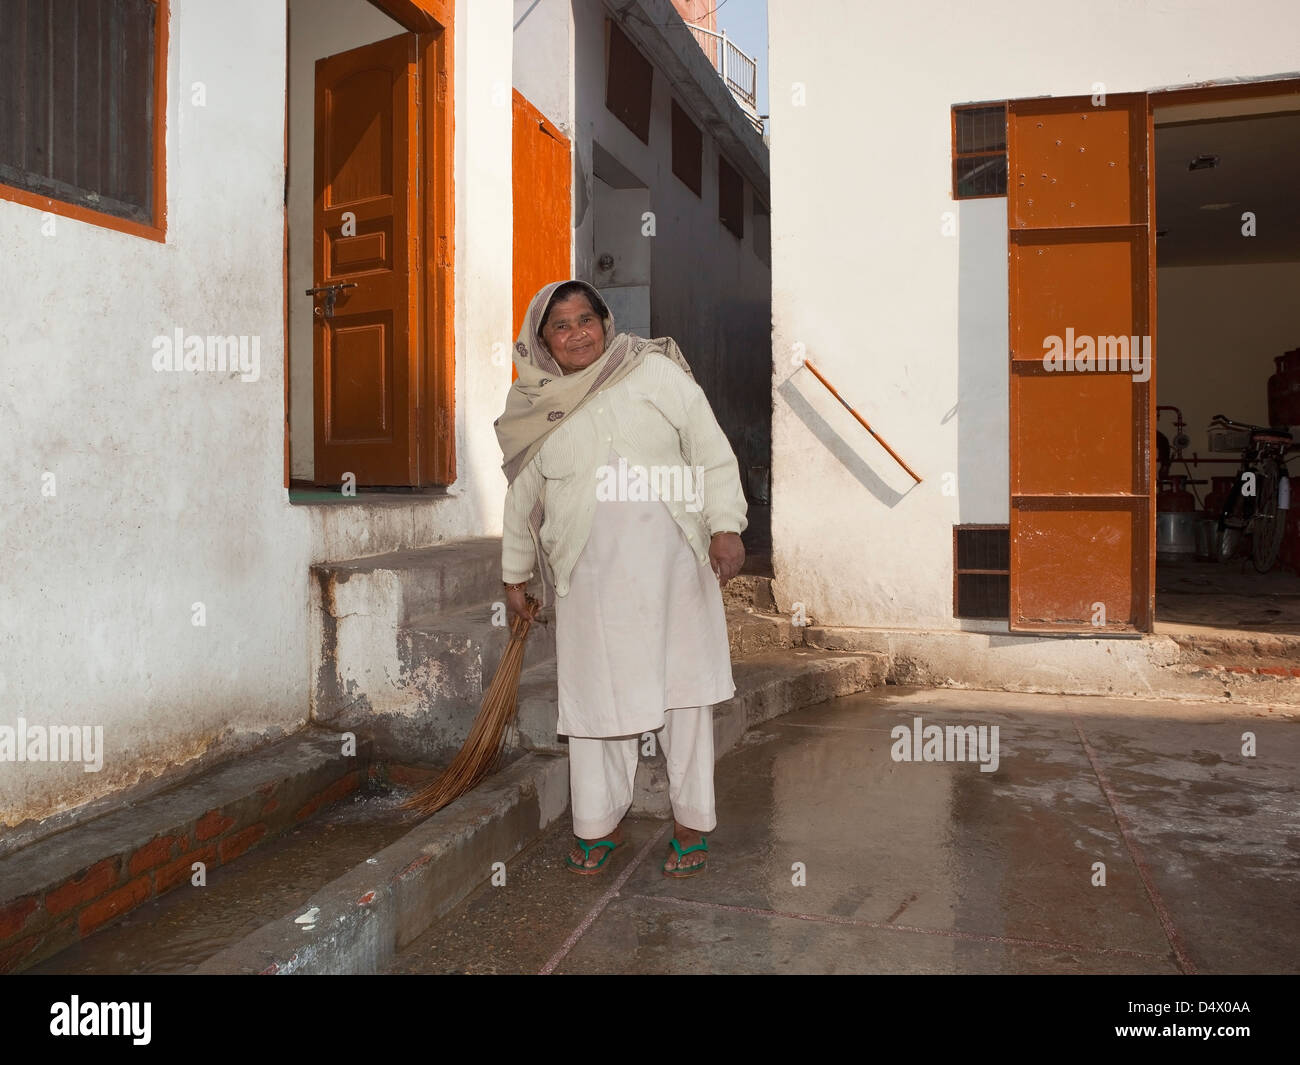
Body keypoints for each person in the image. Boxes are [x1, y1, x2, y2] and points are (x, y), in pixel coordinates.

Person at [495, 279, 747, 877]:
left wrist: (726, 526)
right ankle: (596, 825)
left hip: (674, 566)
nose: (577, 332)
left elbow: (710, 449)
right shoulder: (536, 403)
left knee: (685, 695)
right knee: (595, 702)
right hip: (589, 576)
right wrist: (515, 574)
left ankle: (691, 823)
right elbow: (522, 497)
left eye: (587, 318)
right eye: (561, 325)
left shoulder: (654, 372)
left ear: (606, 323)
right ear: (543, 341)